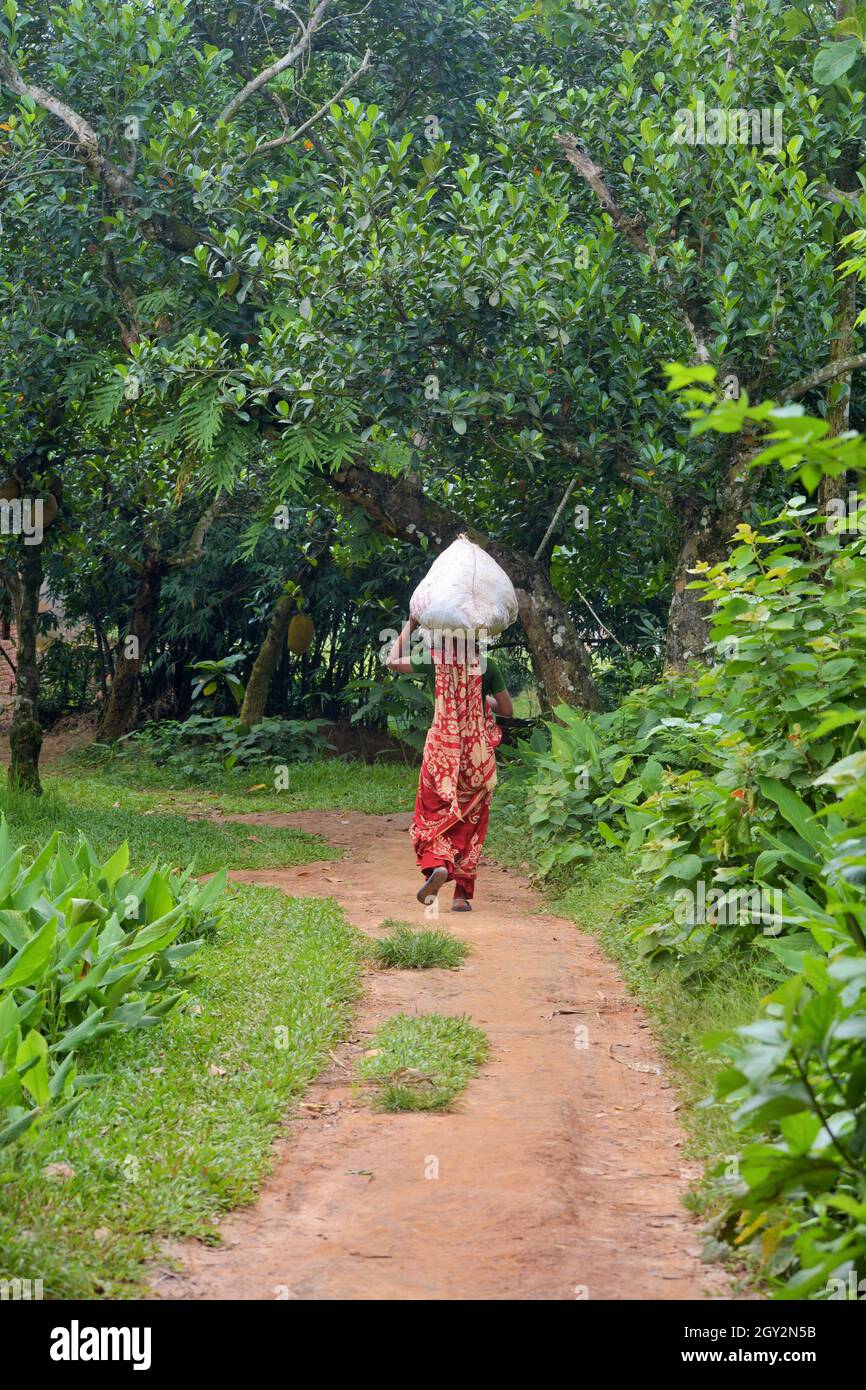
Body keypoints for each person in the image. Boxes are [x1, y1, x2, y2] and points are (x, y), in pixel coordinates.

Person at [386, 618, 512, 912]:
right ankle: (461, 895)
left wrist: (410, 624)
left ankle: (437, 865)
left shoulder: (433, 661)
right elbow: (507, 710)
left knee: (431, 814)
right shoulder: (487, 666)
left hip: (442, 752)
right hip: (477, 755)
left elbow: (391, 662)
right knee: (472, 819)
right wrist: (484, 701)